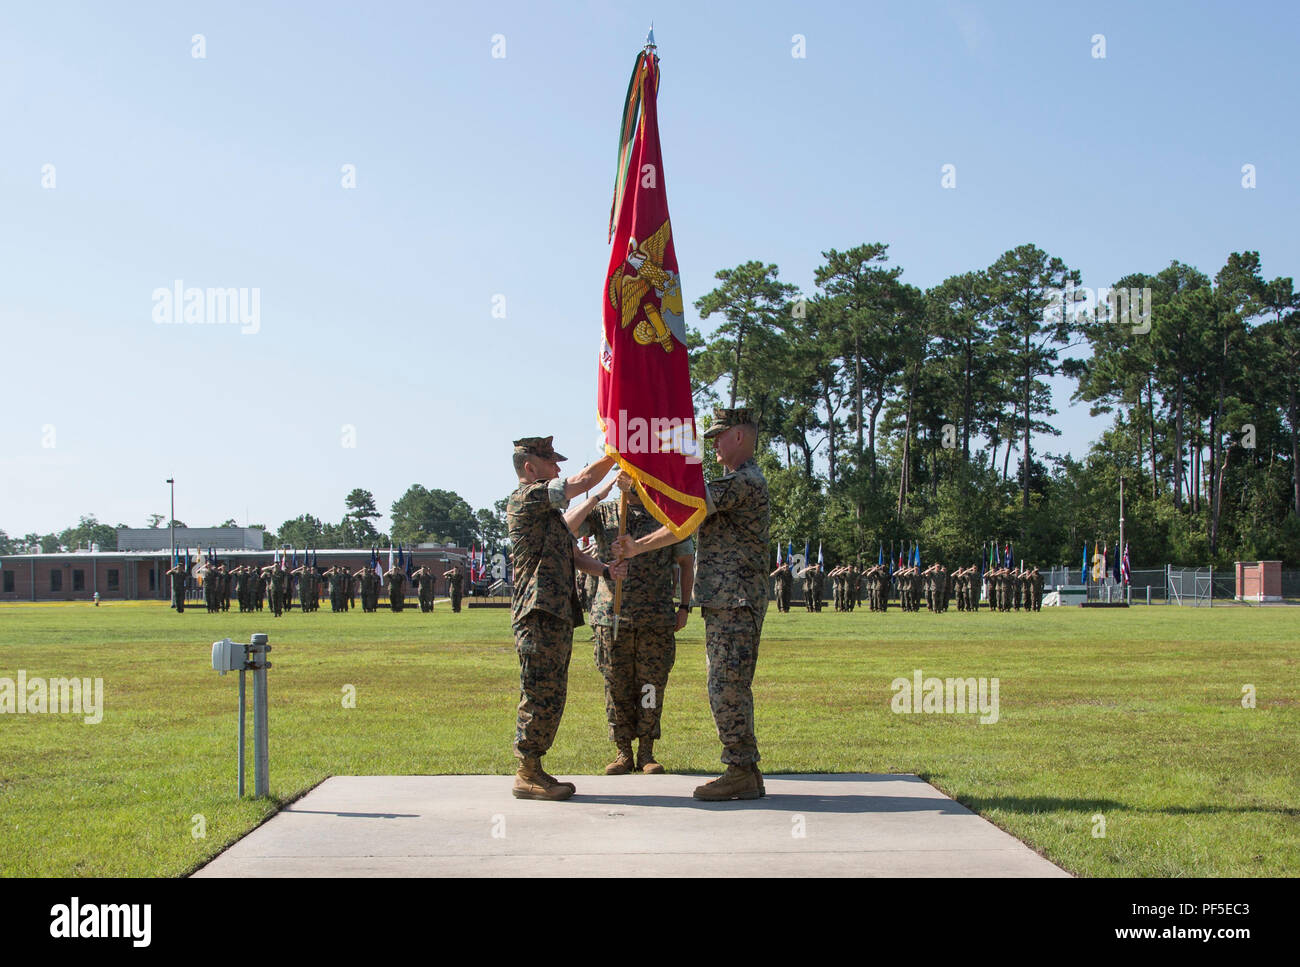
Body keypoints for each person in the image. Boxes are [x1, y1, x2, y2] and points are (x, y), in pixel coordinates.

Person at [615, 407, 770, 802]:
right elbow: (684, 516)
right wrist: (638, 546)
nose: (713, 443)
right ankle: (745, 769)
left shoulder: (744, 482)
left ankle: (739, 769)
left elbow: (686, 507)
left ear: (739, 436)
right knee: (728, 685)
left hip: (734, 601)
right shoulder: (737, 481)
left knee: (726, 686)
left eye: (719, 435)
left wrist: (645, 478)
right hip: (727, 600)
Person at [506, 437, 622, 801]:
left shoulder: (548, 513)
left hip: (554, 614)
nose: (557, 468)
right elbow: (584, 480)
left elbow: (573, 555)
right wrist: (618, 454)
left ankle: (534, 767)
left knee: (552, 693)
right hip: (537, 613)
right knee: (539, 692)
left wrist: (604, 569)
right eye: (551, 462)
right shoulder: (527, 497)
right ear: (530, 467)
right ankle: (526, 770)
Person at [575, 471, 693, 776]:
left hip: (655, 617)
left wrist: (684, 605)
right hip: (611, 616)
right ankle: (622, 750)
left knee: (651, 686)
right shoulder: (604, 512)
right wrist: (602, 492)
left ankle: (646, 752)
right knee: (616, 686)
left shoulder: (666, 512)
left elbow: (685, 562)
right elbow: (568, 530)